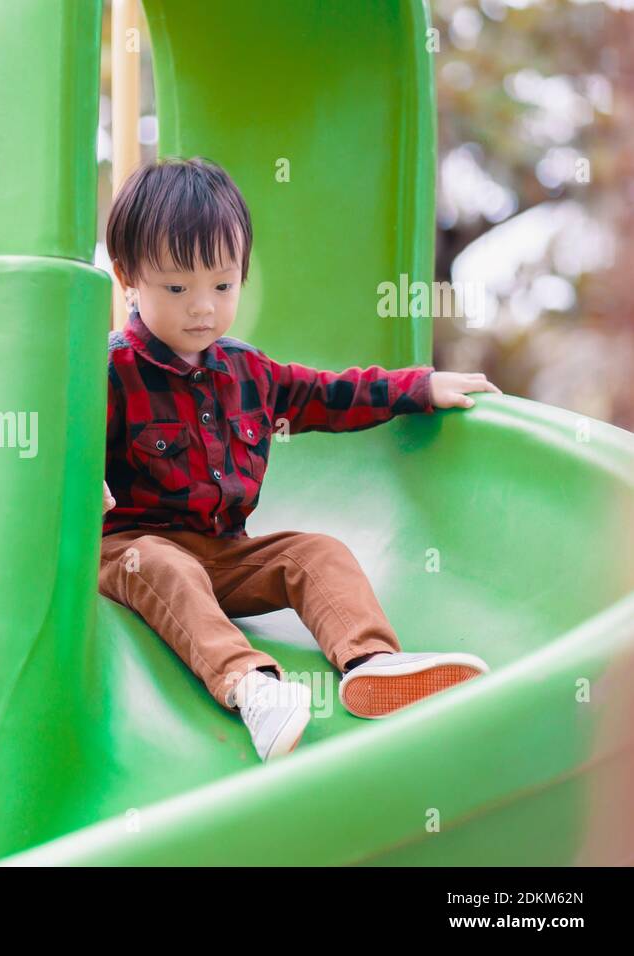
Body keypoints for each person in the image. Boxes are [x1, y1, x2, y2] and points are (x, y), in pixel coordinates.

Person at [101, 157, 497, 761]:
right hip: (132, 553)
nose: (202, 307)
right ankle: (250, 686)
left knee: (315, 552)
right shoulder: (107, 371)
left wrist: (419, 387)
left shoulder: (246, 372)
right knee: (165, 566)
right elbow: (56, 439)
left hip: (223, 555)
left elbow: (329, 394)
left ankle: (372, 663)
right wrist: (78, 480)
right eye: (177, 288)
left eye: (223, 285)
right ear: (129, 277)